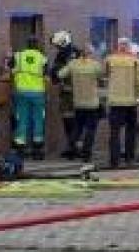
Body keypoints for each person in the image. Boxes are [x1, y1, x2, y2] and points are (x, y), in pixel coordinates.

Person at [104, 38, 139, 168]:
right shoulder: (136, 61)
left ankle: (114, 161)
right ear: (129, 47)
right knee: (130, 131)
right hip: (130, 101)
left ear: (118, 46)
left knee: (114, 132)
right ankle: (129, 159)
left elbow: (104, 75)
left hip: (115, 101)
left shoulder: (109, 59)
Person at [59, 45, 106, 163]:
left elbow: (60, 74)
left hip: (78, 102)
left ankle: (71, 147)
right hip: (92, 103)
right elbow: (103, 75)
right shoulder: (95, 65)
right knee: (91, 129)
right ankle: (86, 154)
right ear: (90, 53)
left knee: (78, 128)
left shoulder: (73, 64)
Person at [10, 36, 49, 159]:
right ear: (37, 45)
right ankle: (37, 149)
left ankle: (20, 148)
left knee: (22, 118)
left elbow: (9, 68)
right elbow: (47, 76)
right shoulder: (42, 58)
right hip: (38, 93)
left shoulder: (18, 56)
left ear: (27, 44)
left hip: (21, 92)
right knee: (38, 119)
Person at [48, 31, 82, 159]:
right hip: (80, 94)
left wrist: (53, 74)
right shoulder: (78, 52)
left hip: (68, 95)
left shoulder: (63, 54)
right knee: (76, 121)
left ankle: (74, 147)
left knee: (70, 121)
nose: (57, 48)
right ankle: (74, 146)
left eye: (57, 45)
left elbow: (55, 75)